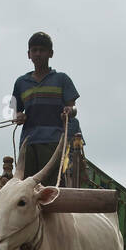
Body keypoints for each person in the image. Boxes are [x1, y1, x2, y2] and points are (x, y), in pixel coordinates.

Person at [12, 31, 82, 187]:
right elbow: (16, 111)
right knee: (27, 186)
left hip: (54, 142)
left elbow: (73, 108)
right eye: (34, 50)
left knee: (50, 185)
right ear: (28, 54)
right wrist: (18, 116)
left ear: (51, 53)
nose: (38, 54)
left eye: (42, 50)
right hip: (28, 144)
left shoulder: (61, 79)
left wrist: (69, 111)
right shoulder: (21, 83)